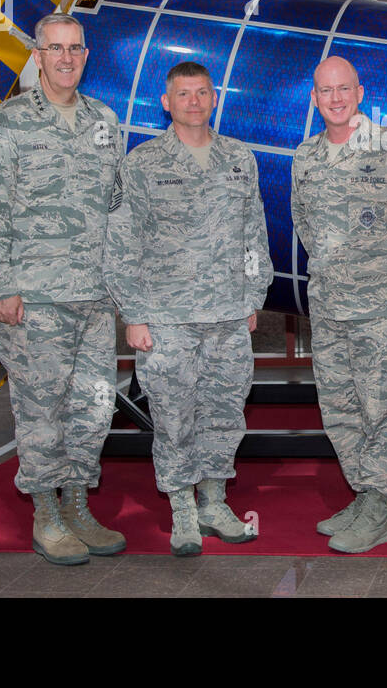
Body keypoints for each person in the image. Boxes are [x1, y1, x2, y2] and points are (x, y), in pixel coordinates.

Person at [0, 12, 124, 566]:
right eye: (54, 49)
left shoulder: (105, 121)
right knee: (41, 410)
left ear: (86, 54)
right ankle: (46, 513)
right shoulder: (9, 122)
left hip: (95, 299)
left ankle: (78, 505)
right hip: (34, 300)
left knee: (95, 407)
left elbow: (117, 210)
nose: (65, 58)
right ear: (37, 57)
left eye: (75, 48)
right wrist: (2, 285)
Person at [104, 62, 272, 556]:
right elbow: (122, 243)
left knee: (224, 414)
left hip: (227, 317)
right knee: (174, 416)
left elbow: (254, 236)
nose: (193, 101)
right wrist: (133, 315)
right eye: (183, 93)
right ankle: (182, 510)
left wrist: (253, 297)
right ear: (166, 101)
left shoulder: (240, 158)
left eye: (202, 92)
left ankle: (215, 503)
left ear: (214, 98)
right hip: (166, 320)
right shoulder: (142, 163)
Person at [290, 56, 387, 554]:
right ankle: (362, 494)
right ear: (314, 98)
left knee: (383, 409)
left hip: (382, 309)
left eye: (344, 89)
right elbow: (305, 226)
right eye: (325, 91)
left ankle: (378, 509)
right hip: (330, 307)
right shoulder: (305, 156)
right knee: (340, 408)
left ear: (360, 93)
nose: (335, 99)